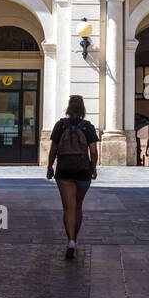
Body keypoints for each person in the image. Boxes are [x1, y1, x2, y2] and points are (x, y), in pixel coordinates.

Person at [47, 94, 98, 259]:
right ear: (83, 108)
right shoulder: (88, 127)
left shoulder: (60, 125)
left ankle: (70, 241)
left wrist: (50, 166)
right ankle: (74, 239)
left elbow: (53, 150)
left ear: (68, 108)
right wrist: (93, 168)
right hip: (83, 170)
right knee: (78, 206)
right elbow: (93, 151)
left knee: (68, 207)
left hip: (64, 171)